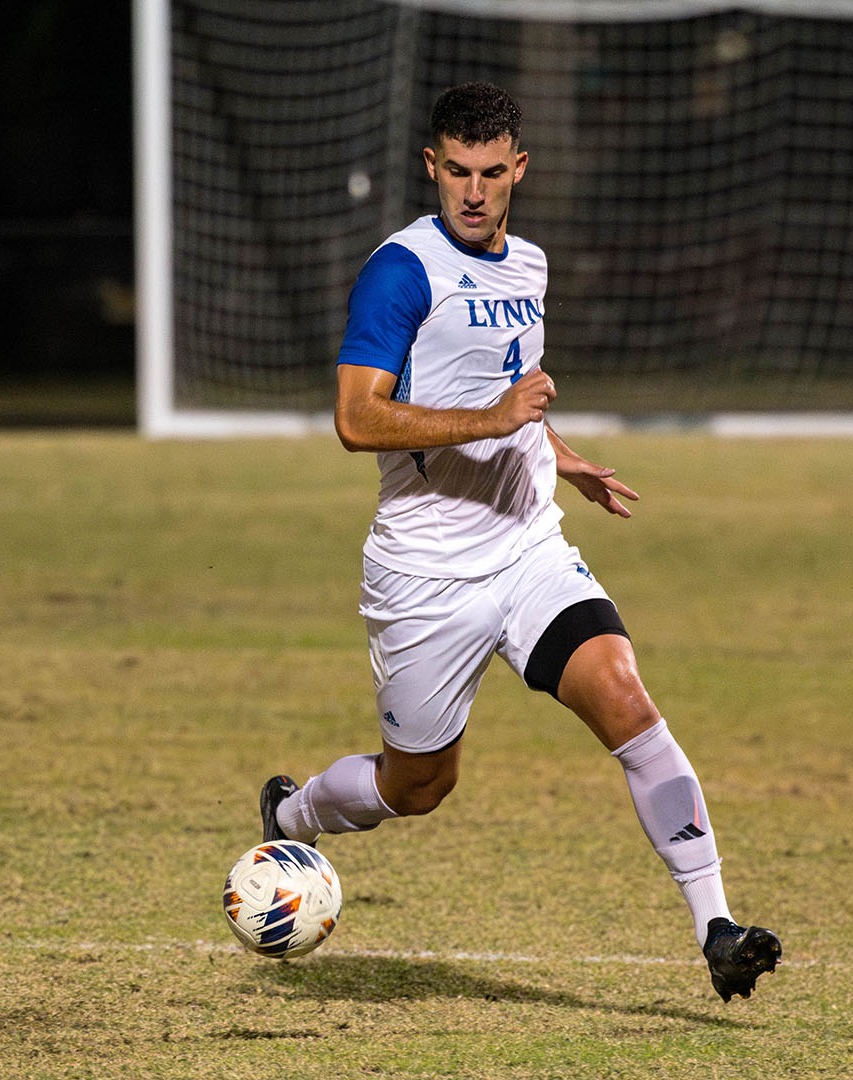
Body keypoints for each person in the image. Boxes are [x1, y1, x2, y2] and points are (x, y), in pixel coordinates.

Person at [260, 81, 780, 1002]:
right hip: (425, 574)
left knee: (626, 698)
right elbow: (354, 418)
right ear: (432, 166)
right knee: (420, 786)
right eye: (456, 171)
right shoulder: (400, 271)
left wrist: (559, 454)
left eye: (491, 173)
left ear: (518, 170)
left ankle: (716, 926)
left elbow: (511, 394)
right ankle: (294, 810)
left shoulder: (528, 266)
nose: (473, 190)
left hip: (527, 545)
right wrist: (492, 416)